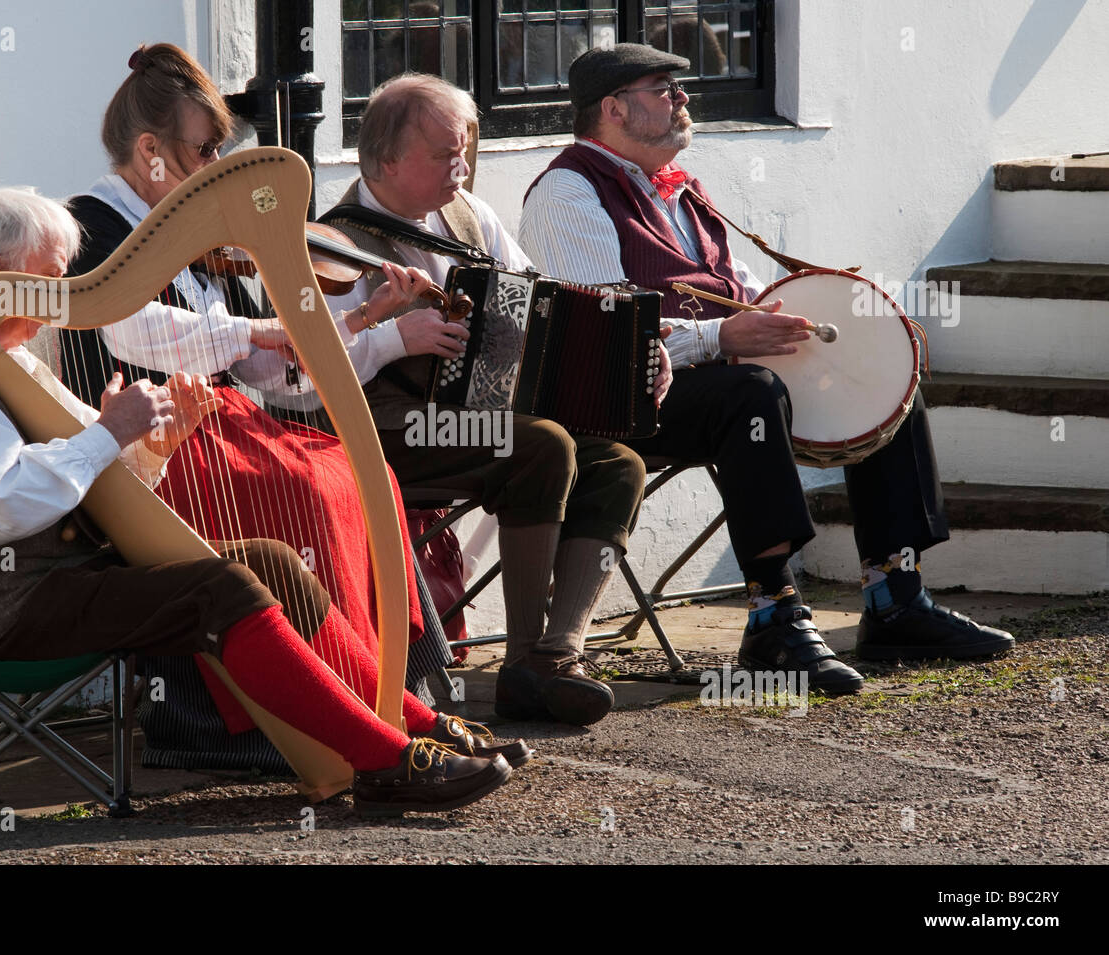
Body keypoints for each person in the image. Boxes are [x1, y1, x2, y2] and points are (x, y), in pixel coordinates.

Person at [0, 185, 527, 816]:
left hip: (71, 578)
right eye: (51, 279)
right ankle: (387, 762)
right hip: (8, 610)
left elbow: (103, 484)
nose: (62, 299)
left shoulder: (10, 361)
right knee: (219, 590)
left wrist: (155, 446)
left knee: (268, 559)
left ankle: (418, 724)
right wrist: (108, 431)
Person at [519, 43, 1015, 694]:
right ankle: (773, 613)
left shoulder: (684, 191)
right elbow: (602, 335)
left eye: (679, 86)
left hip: (711, 381)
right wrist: (722, 335)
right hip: (618, 400)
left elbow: (744, 289)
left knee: (886, 370)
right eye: (662, 87)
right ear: (612, 108)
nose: (682, 97)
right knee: (747, 392)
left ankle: (895, 596)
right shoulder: (568, 190)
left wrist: (817, 324)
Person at [58, 45, 462, 748]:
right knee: (305, 486)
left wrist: (361, 319)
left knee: (355, 473)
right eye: (205, 149)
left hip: (228, 425)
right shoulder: (88, 224)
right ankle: (293, 716)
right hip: (151, 444)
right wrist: (254, 328)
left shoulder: (204, 242)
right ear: (150, 148)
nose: (216, 166)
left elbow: (269, 372)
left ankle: (389, 689)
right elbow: (130, 332)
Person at [311, 74, 649, 727]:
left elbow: (540, 306)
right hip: (379, 432)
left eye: (467, 148)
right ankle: (523, 661)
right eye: (443, 153)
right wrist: (390, 338)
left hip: (477, 418)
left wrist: (630, 361)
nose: (461, 165)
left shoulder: (472, 217)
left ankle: (559, 650)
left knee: (616, 462)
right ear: (386, 160)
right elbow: (302, 375)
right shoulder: (331, 245)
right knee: (541, 447)